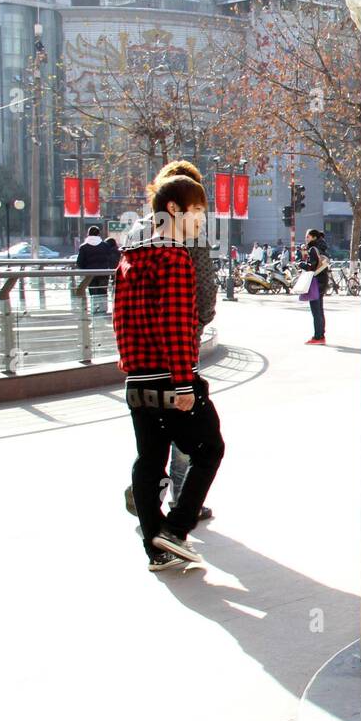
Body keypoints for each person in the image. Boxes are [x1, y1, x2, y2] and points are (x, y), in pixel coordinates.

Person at [113, 166, 225, 571]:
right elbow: (177, 324)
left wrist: (131, 365)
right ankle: (175, 530)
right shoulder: (174, 257)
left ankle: (155, 549)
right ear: (173, 208)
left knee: (149, 460)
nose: (202, 219)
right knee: (209, 448)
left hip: (137, 376)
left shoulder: (129, 259)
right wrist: (183, 384)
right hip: (170, 376)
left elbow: (120, 320)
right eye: (197, 210)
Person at [75, 225, 118, 314]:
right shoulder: (105, 246)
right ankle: (103, 311)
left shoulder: (83, 247)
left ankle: (95, 311)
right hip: (103, 273)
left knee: (93, 293)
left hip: (90, 274)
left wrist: (86, 269)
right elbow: (110, 259)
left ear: (88, 234)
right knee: (103, 292)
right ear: (99, 234)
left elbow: (79, 262)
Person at [299, 227, 330, 345]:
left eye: (307, 236)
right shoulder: (322, 248)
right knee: (320, 310)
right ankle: (321, 335)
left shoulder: (313, 249)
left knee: (316, 310)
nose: (306, 239)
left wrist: (301, 264)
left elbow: (311, 266)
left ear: (314, 237)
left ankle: (318, 337)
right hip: (323, 280)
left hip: (315, 281)